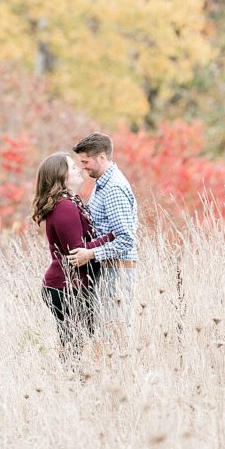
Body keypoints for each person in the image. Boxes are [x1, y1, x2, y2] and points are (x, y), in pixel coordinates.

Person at [31, 152, 115, 356]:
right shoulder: (65, 207)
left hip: (70, 285)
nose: (79, 169)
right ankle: (71, 385)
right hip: (67, 287)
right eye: (72, 167)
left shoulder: (70, 202)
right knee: (74, 347)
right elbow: (77, 251)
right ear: (61, 176)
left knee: (74, 344)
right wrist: (113, 235)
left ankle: (71, 384)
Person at [67, 133, 139, 332]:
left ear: (101, 157)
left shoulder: (114, 188)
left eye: (85, 161)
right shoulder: (103, 184)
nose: (83, 167)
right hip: (108, 269)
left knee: (115, 332)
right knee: (105, 331)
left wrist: (90, 254)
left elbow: (126, 240)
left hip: (117, 271)